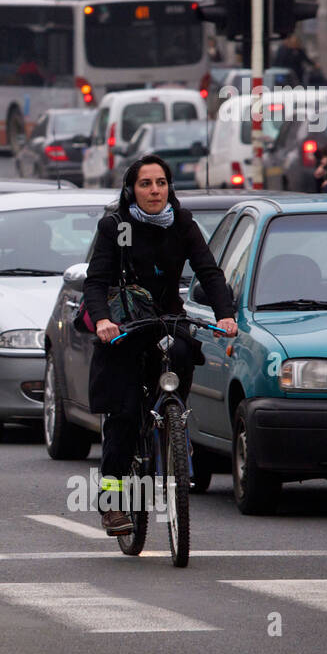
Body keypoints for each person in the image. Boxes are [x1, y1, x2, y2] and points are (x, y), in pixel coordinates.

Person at [83, 155, 238, 535]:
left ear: (170, 187)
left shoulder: (183, 223)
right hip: (125, 324)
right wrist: (103, 319)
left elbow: (209, 271)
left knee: (183, 352)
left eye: (161, 183)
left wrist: (225, 314)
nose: (154, 190)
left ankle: (174, 423)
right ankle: (113, 504)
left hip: (167, 318)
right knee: (122, 412)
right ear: (131, 189)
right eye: (145, 184)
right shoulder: (116, 225)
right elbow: (96, 280)